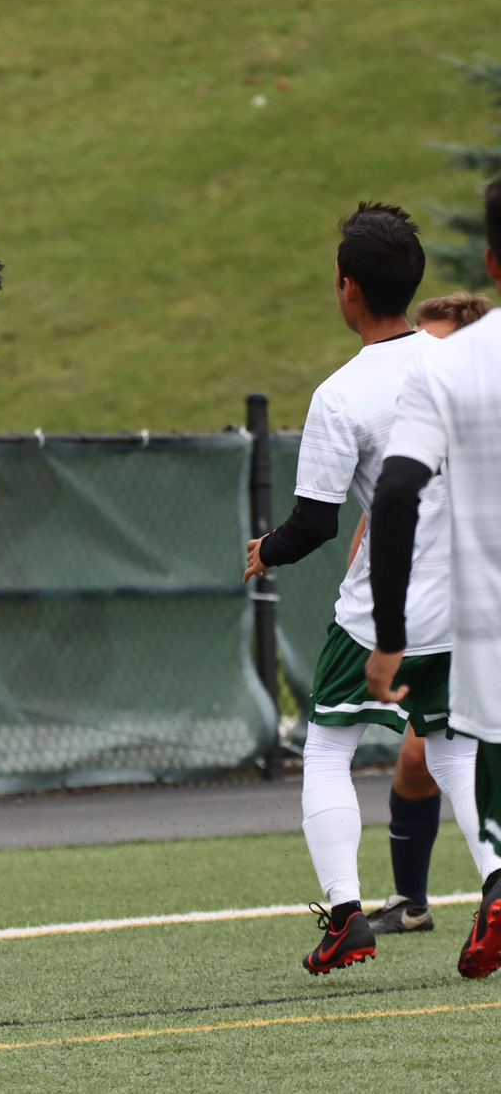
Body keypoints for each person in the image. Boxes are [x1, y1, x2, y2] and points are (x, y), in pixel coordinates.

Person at [242, 205, 501, 976]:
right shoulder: (462, 364)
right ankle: (496, 883)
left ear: (346, 289)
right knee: (455, 750)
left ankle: (346, 914)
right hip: (470, 605)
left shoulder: (341, 393)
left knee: (326, 745)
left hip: (381, 613)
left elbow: (314, 525)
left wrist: (265, 550)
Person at [367, 177, 501, 978]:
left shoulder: (449, 368)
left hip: (485, 639)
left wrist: (387, 638)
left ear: (489, 259)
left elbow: (393, 492)